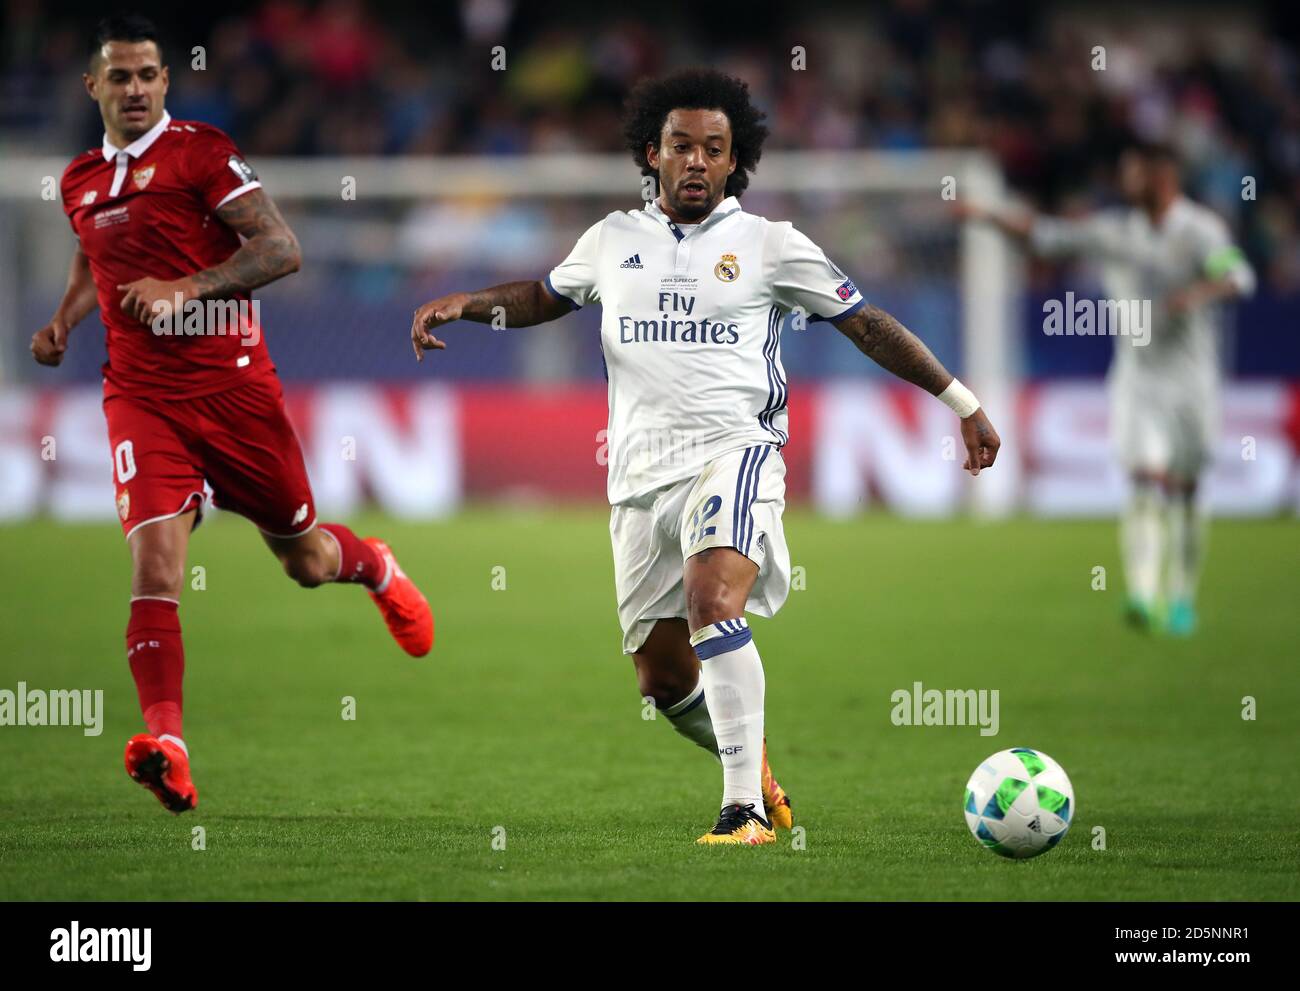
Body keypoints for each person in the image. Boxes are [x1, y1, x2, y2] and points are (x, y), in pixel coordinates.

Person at [410, 69, 999, 844]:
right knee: (660, 677)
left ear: (733, 163)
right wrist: (466, 303)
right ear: (650, 153)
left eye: (713, 149)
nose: (696, 161)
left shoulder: (771, 246)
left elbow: (867, 324)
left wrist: (962, 401)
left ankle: (742, 812)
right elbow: (542, 297)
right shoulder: (612, 240)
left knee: (713, 601)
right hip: (637, 476)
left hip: (735, 452)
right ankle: (751, 765)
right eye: (681, 145)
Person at [31, 14, 434, 815]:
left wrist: (186, 289)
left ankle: (376, 565)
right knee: (155, 569)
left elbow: (281, 249)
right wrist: (66, 319)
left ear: (166, 81)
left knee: (306, 560)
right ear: (94, 87)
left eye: (149, 75)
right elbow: (93, 253)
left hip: (235, 392)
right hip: (141, 398)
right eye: (120, 77)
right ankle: (169, 745)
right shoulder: (80, 179)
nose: (136, 89)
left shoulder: (202, 154)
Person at [959, 142, 1255, 635]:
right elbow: (1046, 235)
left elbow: (1239, 276)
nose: (1125, 182)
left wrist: (1200, 291)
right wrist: (986, 215)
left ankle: (1181, 599)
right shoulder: (1114, 230)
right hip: (1137, 380)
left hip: (1192, 382)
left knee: (1184, 490)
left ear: (1163, 176)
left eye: (1134, 173)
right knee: (1143, 480)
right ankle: (1142, 594)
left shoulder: (1202, 230)